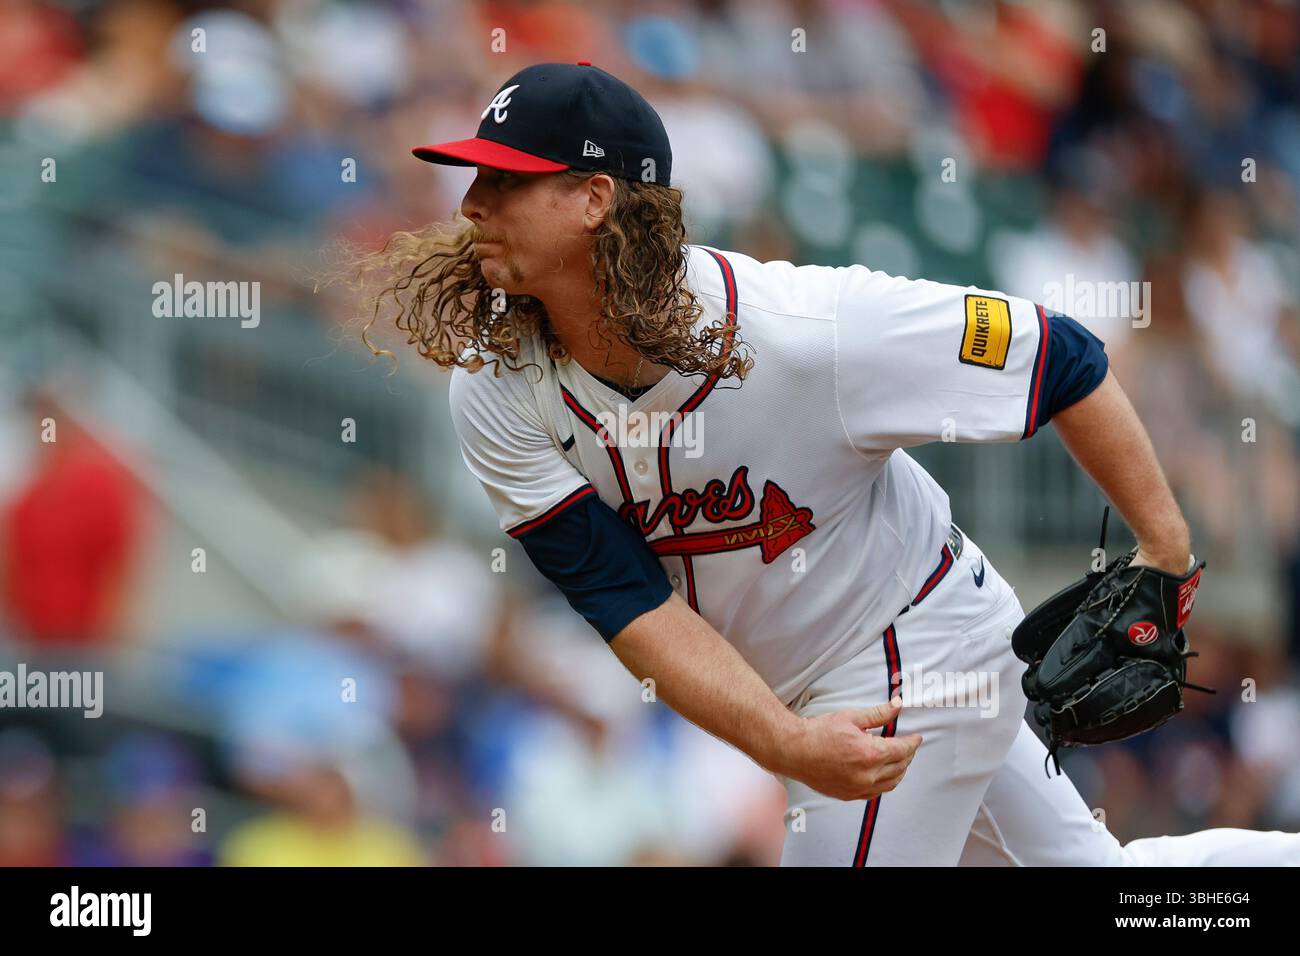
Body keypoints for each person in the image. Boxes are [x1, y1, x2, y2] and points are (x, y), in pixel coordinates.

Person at [355, 61, 1300, 866]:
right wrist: (783, 740)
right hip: (815, 690)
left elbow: (1061, 354)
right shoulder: (493, 388)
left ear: (595, 198)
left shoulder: (809, 331)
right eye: (474, 175)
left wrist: (1164, 547)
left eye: (506, 181)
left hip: (919, 652)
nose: (471, 202)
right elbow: (625, 600)